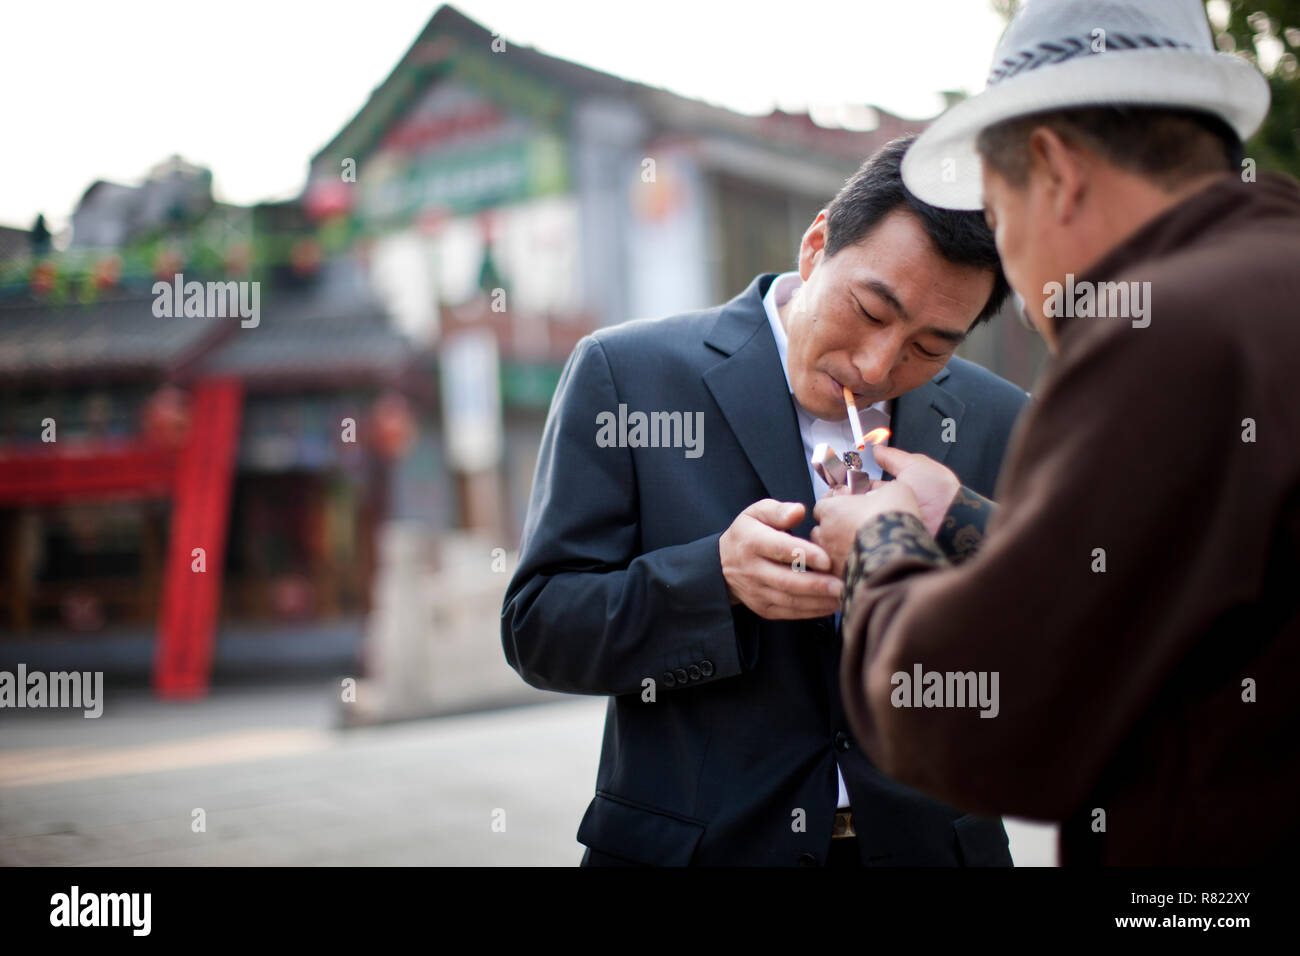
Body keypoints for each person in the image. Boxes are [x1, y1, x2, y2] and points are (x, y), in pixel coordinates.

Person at [816, 0, 1299, 865]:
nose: (1036, 312)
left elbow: (984, 714)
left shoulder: (1155, 330)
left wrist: (876, 540)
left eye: (1000, 223)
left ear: (1055, 170)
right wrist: (957, 508)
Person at [502, 137, 1029, 866]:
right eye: (871, 310)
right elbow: (538, 630)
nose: (879, 366)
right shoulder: (629, 376)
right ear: (816, 246)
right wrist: (714, 581)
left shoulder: (997, 417)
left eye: (930, 347)